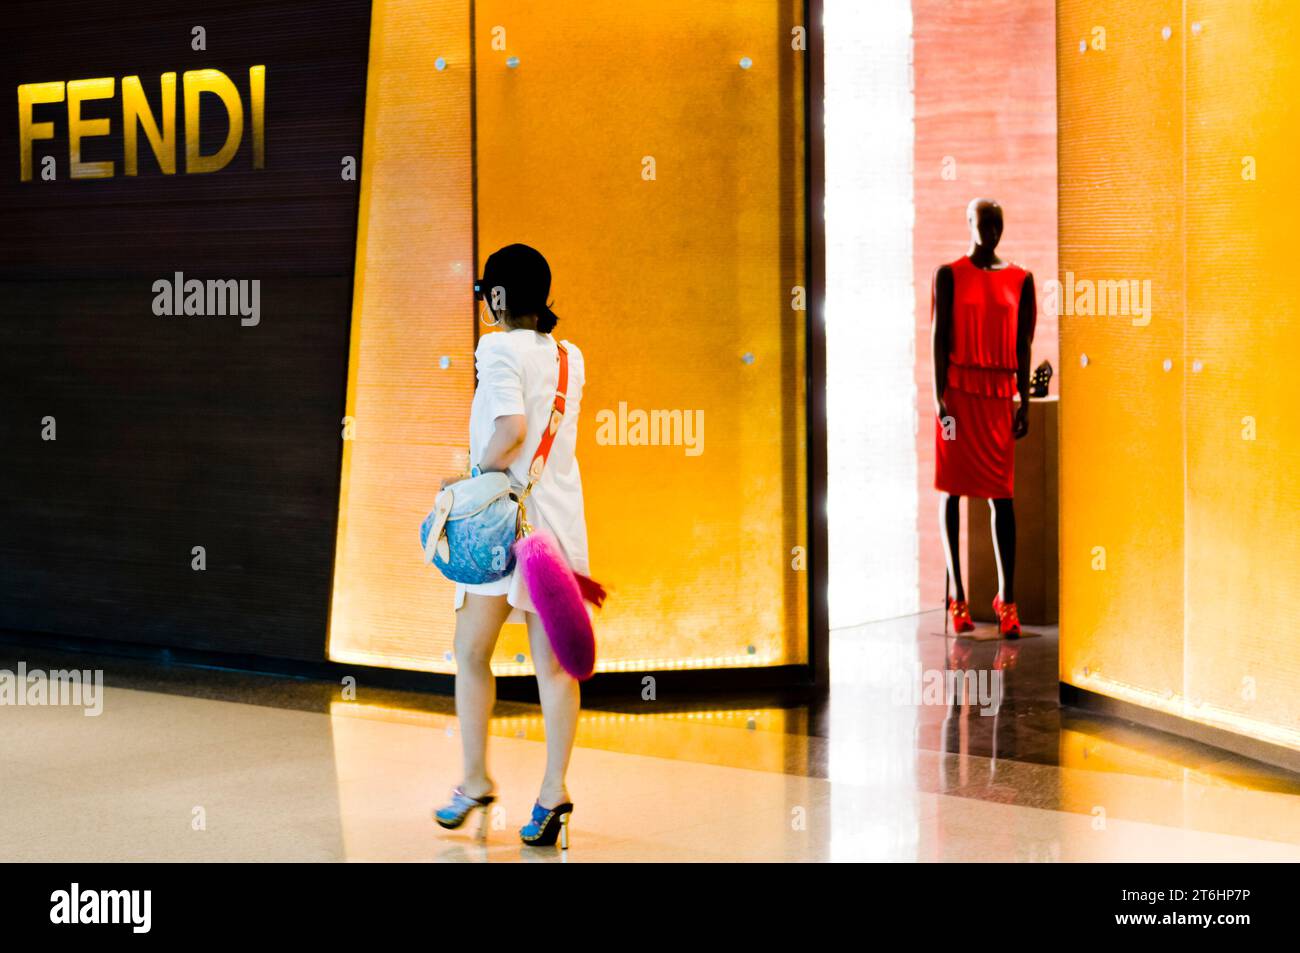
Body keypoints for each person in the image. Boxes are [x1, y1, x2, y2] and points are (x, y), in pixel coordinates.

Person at [433, 243, 588, 847]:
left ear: (498, 297)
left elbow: (510, 430)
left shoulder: (496, 347)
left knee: (471, 652)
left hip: (502, 526)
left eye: (485, 296)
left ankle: (474, 780)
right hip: (557, 528)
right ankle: (554, 794)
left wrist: (473, 474)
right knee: (553, 667)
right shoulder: (571, 357)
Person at [931, 199, 1036, 638]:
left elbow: (1023, 346)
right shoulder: (949, 275)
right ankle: (957, 594)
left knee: (1002, 497)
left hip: (996, 396)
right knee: (953, 491)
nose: (992, 229)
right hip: (956, 395)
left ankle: (1006, 599)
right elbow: (939, 338)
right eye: (983, 221)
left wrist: (1024, 401)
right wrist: (939, 399)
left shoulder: (1021, 279)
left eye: (998, 221)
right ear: (969, 223)